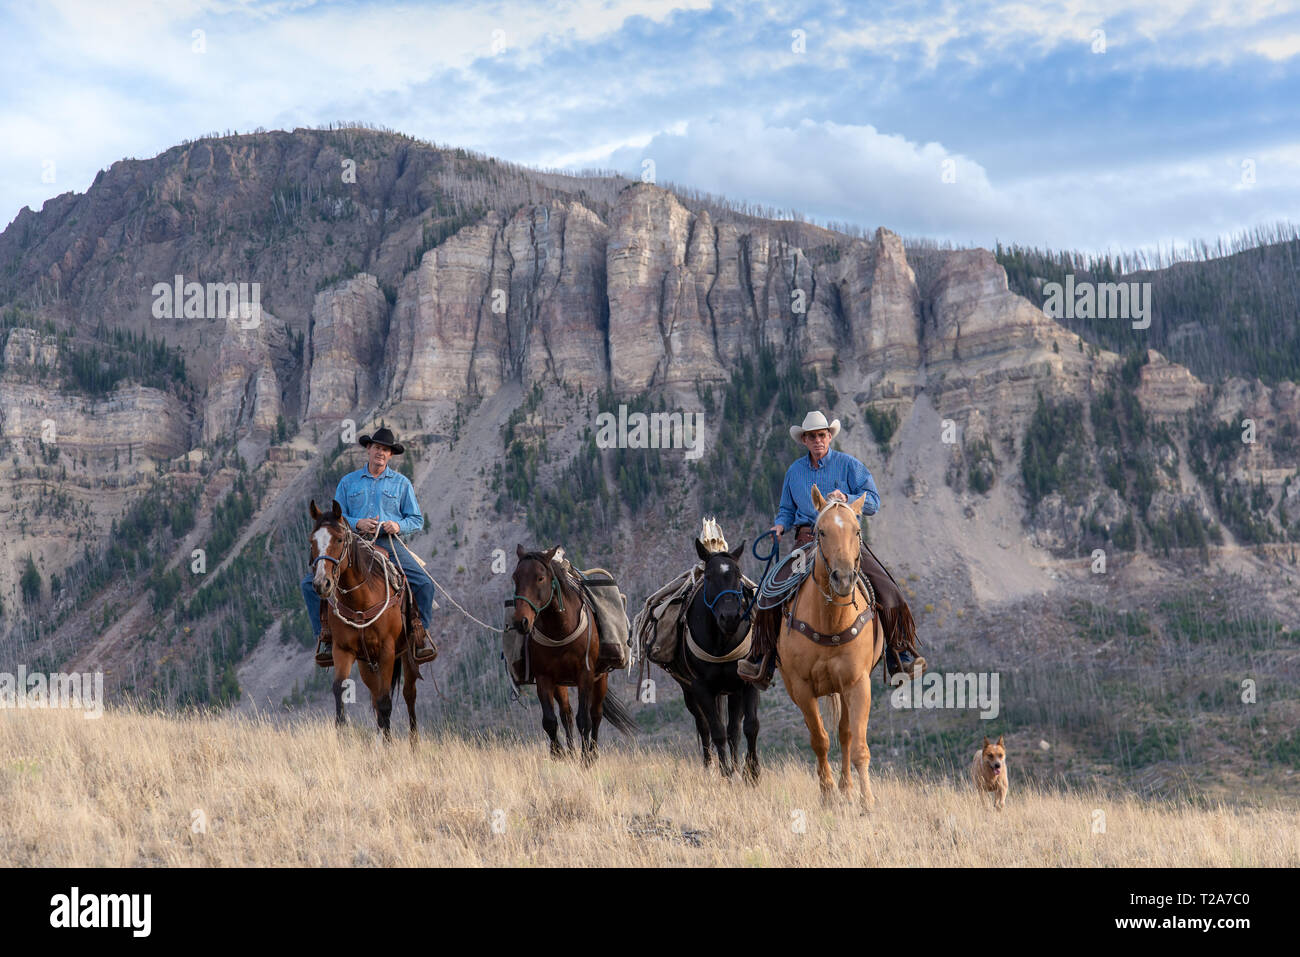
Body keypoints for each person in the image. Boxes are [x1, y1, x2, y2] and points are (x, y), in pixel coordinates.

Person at [737, 410, 925, 686]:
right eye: (812, 436)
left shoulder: (850, 466)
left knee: (887, 587)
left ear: (829, 437)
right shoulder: (794, 472)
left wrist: (847, 497)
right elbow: (786, 510)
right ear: (804, 440)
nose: (817, 441)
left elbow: (873, 502)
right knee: (768, 592)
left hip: (846, 540)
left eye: (822, 435)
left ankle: (899, 653)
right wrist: (779, 525)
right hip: (806, 541)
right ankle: (762, 659)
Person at [301, 426, 438, 667]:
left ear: (391, 455)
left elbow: (416, 520)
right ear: (368, 449)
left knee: (424, 583)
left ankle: (420, 633)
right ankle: (324, 635)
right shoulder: (348, 482)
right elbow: (336, 519)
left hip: (389, 543)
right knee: (308, 584)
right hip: (353, 543)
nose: (380, 453)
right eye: (377, 448)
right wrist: (356, 522)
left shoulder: (401, 483)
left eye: (385, 450)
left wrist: (397, 525)